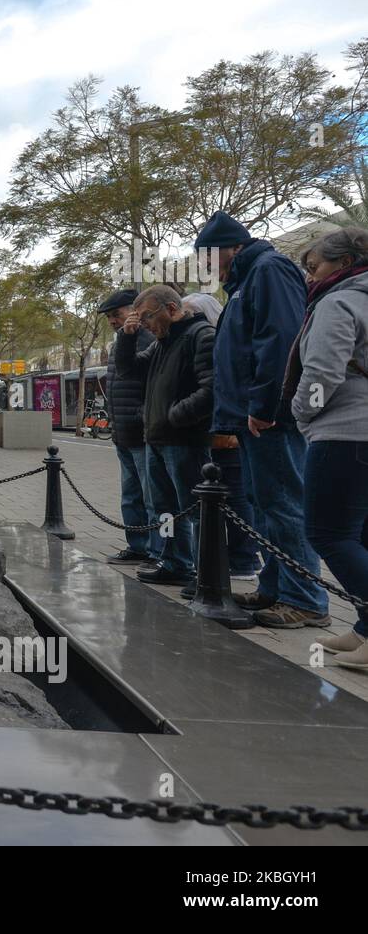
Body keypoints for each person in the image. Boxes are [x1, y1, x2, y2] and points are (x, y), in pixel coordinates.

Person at [197, 210, 328, 628]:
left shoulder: (269, 271)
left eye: (208, 257)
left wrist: (265, 406)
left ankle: (305, 598)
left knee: (285, 504)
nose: (205, 267)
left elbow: (280, 341)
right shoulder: (246, 280)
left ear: (230, 250)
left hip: (266, 417)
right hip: (249, 417)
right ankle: (275, 586)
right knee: (265, 505)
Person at [287, 227, 368, 666]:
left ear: (343, 264)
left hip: (343, 434)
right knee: (361, 535)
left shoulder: (339, 302)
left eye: (313, 267)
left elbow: (321, 374)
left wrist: (301, 413)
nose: (309, 277)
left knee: (328, 533)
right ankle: (364, 628)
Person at [116, 284, 214, 587]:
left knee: (195, 510)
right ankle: (175, 563)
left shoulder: (200, 336)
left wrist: (175, 415)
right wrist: (126, 337)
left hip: (184, 440)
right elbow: (130, 370)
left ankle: (207, 574)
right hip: (157, 439)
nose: (144, 324)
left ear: (171, 309)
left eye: (147, 317)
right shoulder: (161, 344)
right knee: (166, 511)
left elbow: (212, 388)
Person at [174, 290, 262, 599]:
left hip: (228, 436)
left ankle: (244, 558)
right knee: (224, 499)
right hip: (217, 434)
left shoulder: (211, 340)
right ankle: (233, 557)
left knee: (237, 499)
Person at [97, 288, 162, 565]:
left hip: (142, 433)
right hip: (122, 433)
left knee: (153, 499)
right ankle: (138, 546)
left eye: (117, 314)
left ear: (134, 311)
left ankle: (158, 551)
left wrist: (140, 416)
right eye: (110, 317)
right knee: (130, 497)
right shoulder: (120, 342)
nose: (113, 321)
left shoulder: (150, 339)